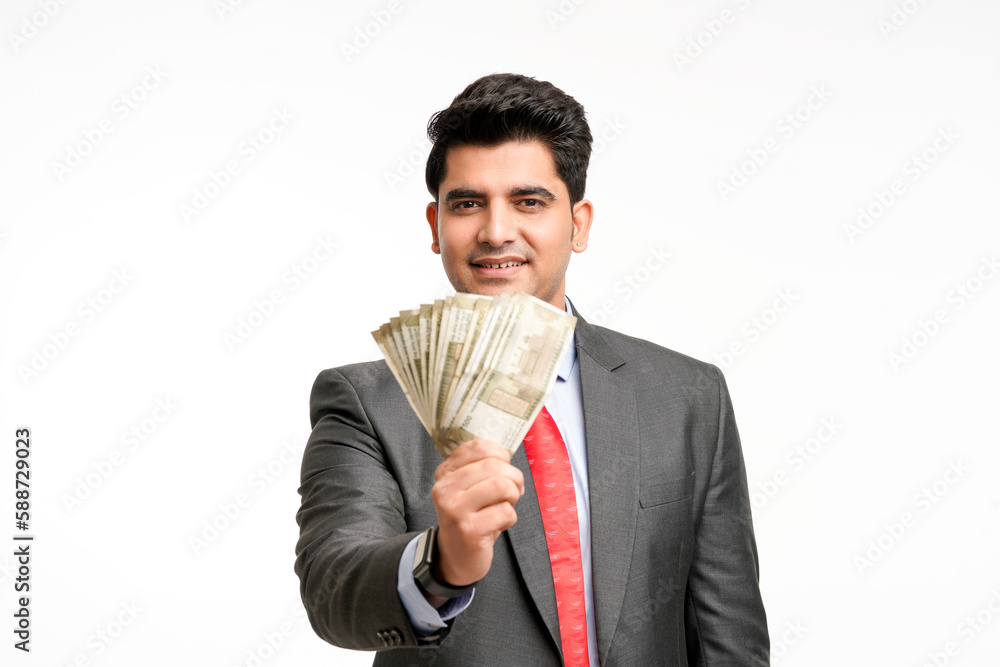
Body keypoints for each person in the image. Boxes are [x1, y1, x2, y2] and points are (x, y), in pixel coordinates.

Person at [295, 73, 770, 666]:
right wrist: (442, 563)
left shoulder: (686, 396)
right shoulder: (367, 403)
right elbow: (333, 590)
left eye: (529, 202)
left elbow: (729, 637)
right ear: (435, 226)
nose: (496, 232)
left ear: (579, 223)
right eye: (467, 204)